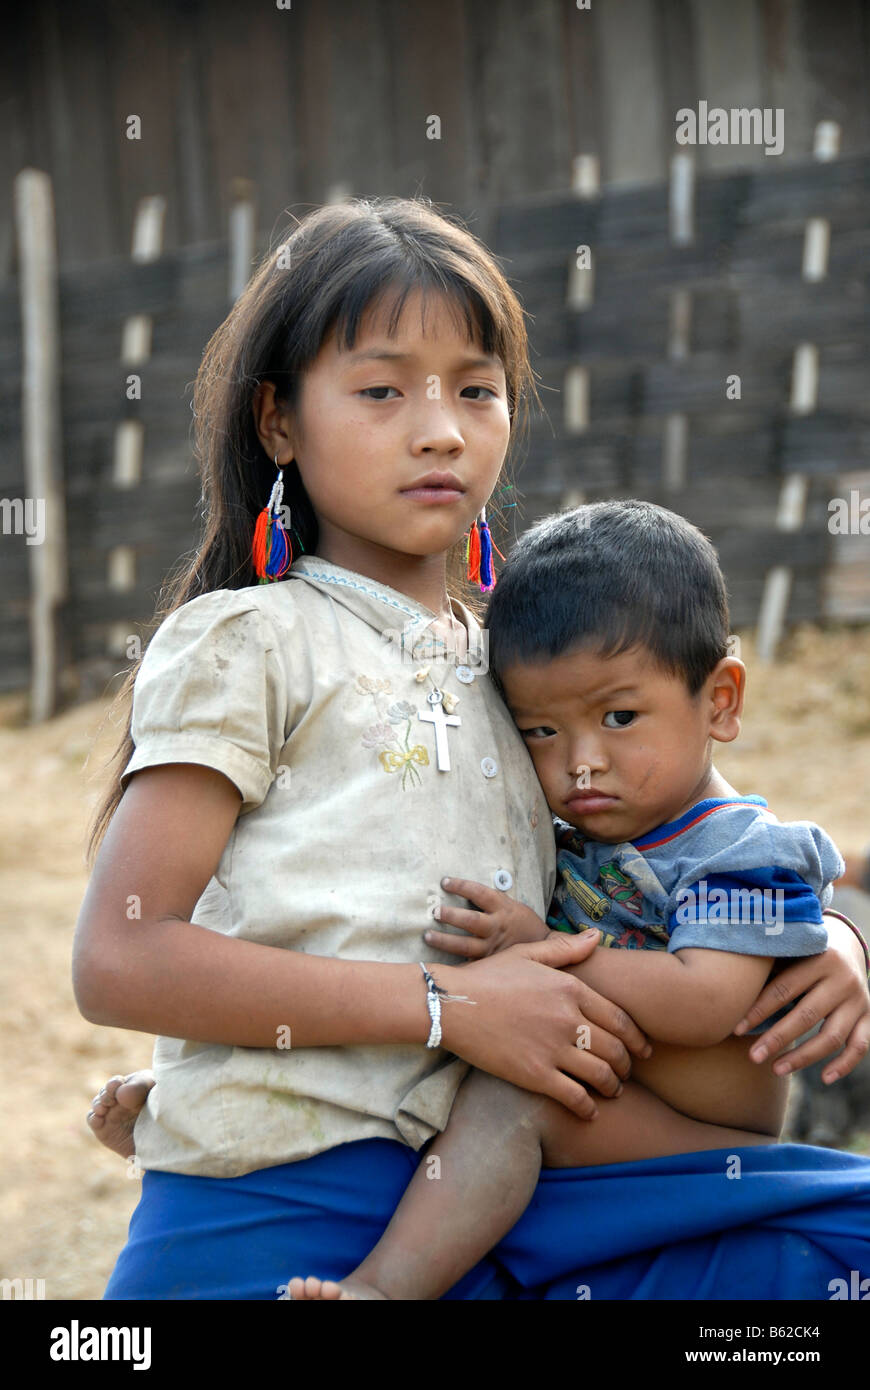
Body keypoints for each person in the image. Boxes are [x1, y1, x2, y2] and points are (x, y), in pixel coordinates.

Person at [77, 196, 870, 1302]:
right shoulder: (251, 642)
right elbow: (122, 957)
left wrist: (824, 935)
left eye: (476, 389)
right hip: (292, 1207)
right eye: (383, 389)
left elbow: (687, 819)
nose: (441, 427)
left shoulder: (518, 668)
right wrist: (454, 1007)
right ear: (278, 423)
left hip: (516, 1201)